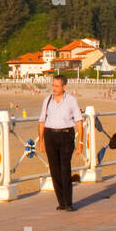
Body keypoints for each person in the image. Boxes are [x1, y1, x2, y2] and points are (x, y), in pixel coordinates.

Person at [37, 75, 84, 211]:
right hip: (50, 135)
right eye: (53, 85)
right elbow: (41, 121)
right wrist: (41, 141)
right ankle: (61, 202)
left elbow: (79, 121)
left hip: (66, 135)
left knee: (65, 168)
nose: (54, 88)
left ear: (64, 87)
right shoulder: (47, 100)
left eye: (57, 86)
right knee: (54, 169)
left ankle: (68, 202)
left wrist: (80, 142)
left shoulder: (71, 101)